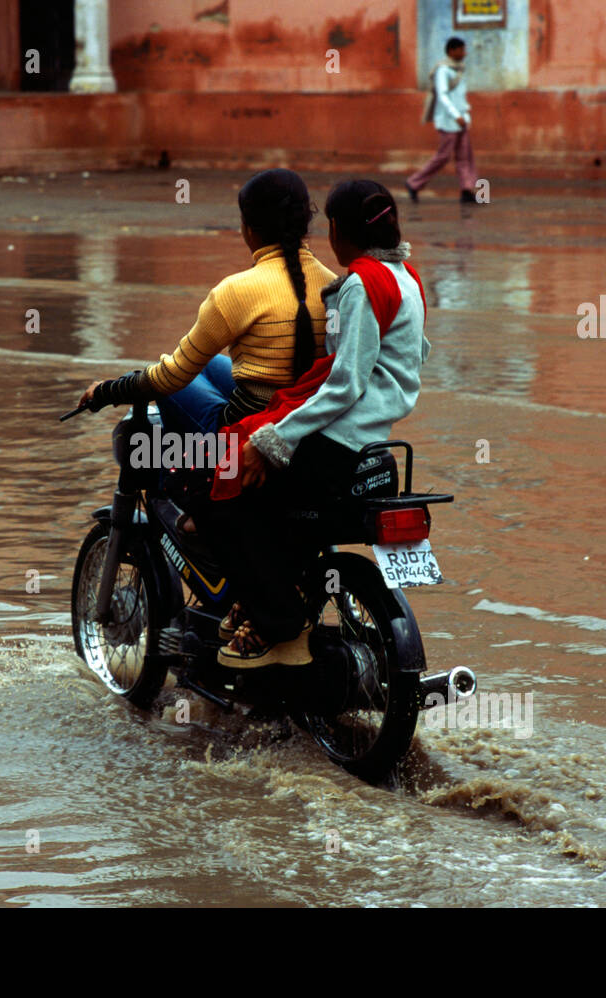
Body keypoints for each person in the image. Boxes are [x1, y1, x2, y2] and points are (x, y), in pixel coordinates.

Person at [195, 180, 431, 667]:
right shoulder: (406, 277)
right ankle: (266, 597)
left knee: (217, 493)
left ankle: (277, 624)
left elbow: (345, 384)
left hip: (335, 445)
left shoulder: (364, 284)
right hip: (375, 441)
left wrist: (274, 440)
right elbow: (416, 355)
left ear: (337, 231)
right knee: (267, 508)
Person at [79, 169, 337, 441]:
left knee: (167, 380)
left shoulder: (235, 291)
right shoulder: (334, 285)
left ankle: (181, 476)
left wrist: (108, 391)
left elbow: (169, 378)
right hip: (308, 414)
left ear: (248, 228)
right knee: (206, 361)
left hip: (244, 427)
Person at [406, 37, 478, 204]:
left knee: (464, 156)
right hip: (448, 121)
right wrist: (456, 115)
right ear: (452, 51)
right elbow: (443, 96)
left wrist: (465, 114)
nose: (464, 53)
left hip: (461, 119)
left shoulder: (460, 69)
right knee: (443, 157)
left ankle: (466, 190)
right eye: (461, 49)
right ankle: (414, 183)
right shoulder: (442, 70)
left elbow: (460, 95)